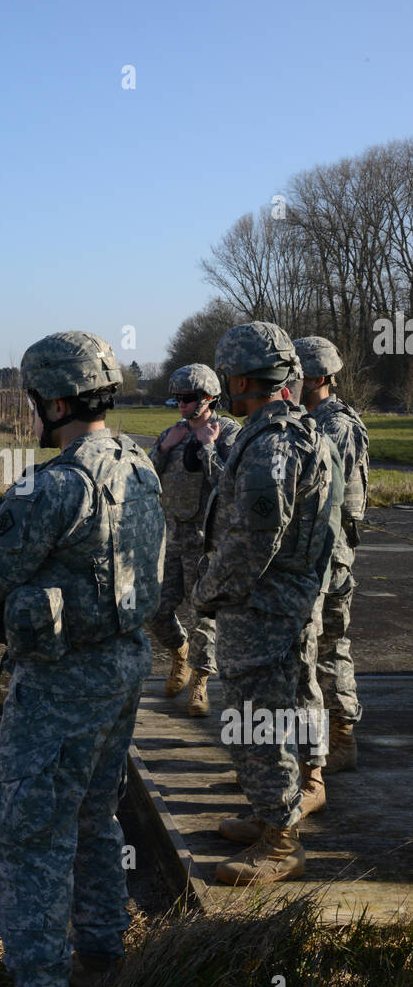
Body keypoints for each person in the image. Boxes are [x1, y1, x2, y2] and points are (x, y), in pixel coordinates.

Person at [0, 332, 165, 987]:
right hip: (123, 665)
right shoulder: (139, 464)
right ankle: (101, 961)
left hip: (61, 681)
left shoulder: (54, 484)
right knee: (92, 817)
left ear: (52, 401)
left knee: (25, 832)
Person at [192, 323, 335, 884]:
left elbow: (255, 538)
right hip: (279, 602)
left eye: (230, 377)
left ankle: (280, 840)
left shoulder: (273, 443)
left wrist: (208, 592)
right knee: (268, 710)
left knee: (259, 718)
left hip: (262, 607)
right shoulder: (286, 431)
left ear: (245, 378)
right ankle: (268, 814)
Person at [292, 337, 370, 773]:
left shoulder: (334, 425)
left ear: (318, 377)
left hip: (331, 555)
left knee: (328, 647)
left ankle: (341, 737)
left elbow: (319, 490)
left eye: (298, 374)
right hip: (320, 550)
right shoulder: (314, 419)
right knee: (319, 646)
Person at [148, 365, 239, 715]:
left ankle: (199, 682)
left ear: (209, 398)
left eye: (188, 399)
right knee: (154, 609)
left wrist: (208, 448)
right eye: (177, 398)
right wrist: (162, 449)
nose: (181, 405)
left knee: (203, 617)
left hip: (206, 544)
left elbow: (231, 487)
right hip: (170, 540)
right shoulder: (171, 433)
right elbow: (146, 479)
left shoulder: (229, 433)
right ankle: (179, 654)